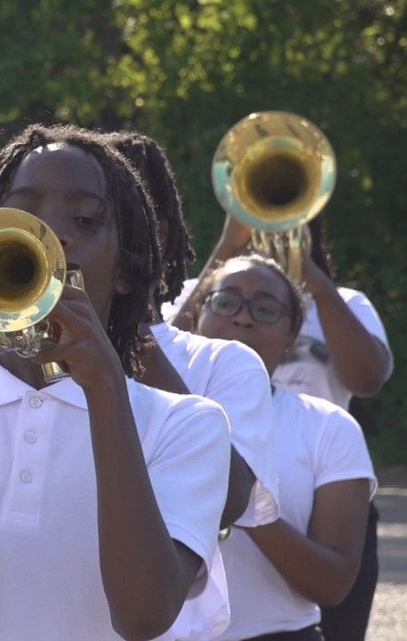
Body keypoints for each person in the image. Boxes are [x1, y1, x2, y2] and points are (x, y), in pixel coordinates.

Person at [0, 123, 232, 641]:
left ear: (126, 270)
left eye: (84, 219)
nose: (49, 235)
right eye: (25, 213)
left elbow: (143, 616)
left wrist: (104, 387)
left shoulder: (187, 425)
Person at [165, 213, 392, 641]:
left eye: (266, 310)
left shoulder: (329, 427)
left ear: (292, 337)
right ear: (196, 317)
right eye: (225, 303)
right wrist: (227, 245)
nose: (243, 319)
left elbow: (332, 584)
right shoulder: (145, 414)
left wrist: (242, 498)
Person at [105, 131, 281, 640]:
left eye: (94, 219)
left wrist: (124, 331)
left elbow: (232, 501)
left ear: (156, 233)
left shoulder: (224, 364)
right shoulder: (1, 360)